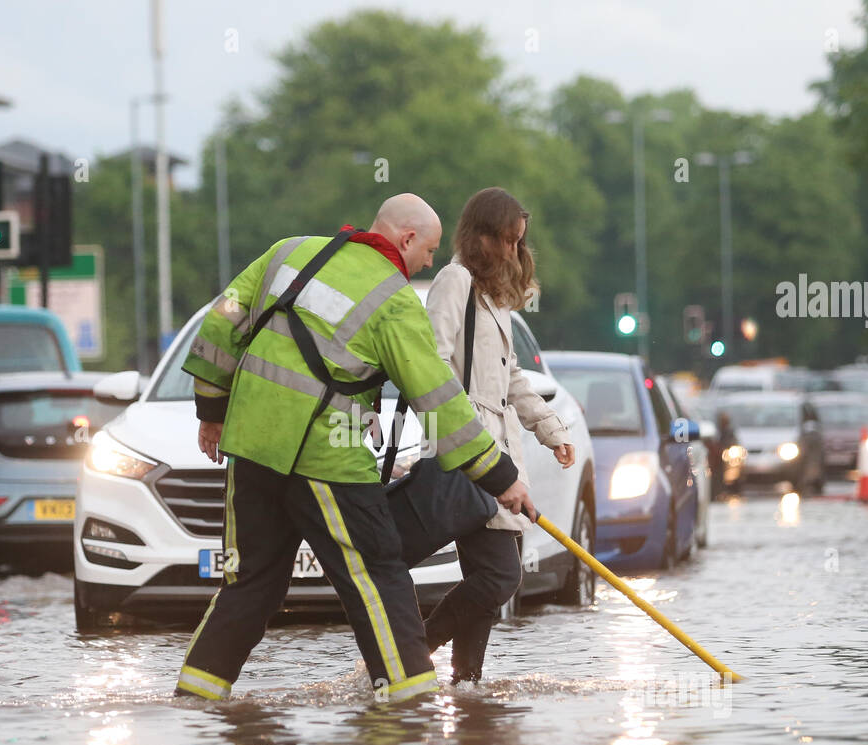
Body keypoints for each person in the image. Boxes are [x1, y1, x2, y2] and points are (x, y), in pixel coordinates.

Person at [176, 194, 535, 703]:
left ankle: (194, 703)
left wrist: (210, 409)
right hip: (327, 455)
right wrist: (501, 477)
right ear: (406, 239)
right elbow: (437, 397)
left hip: (250, 446)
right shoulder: (393, 301)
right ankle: (409, 708)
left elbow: (221, 320)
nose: (430, 262)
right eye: (428, 250)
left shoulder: (287, 253)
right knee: (378, 573)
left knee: (249, 584)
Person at [420, 187, 574, 684]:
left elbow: (509, 379)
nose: (513, 252)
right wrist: (465, 438)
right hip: (469, 455)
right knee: (500, 577)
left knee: (488, 582)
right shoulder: (454, 282)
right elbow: (433, 368)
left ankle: (468, 687)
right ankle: (411, 651)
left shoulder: (495, 298)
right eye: (506, 240)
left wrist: (551, 430)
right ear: (480, 236)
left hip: (499, 453)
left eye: (518, 242)